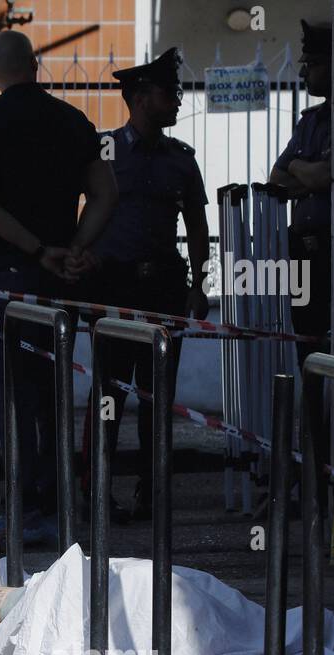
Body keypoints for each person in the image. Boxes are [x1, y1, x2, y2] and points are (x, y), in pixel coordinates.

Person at [0, 30, 117, 531]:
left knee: (12, 394)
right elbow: (105, 192)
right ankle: (56, 496)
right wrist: (73, 249)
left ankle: (22, 498)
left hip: (9, 276)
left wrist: (35, 250)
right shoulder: (71, 121)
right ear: (35, 64)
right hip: (59, 282)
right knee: (53, 388)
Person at [81, 48, 210, 522]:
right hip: (113, 289)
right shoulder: (105, 151)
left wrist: (199, 284)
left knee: (157, 396)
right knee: (108, 394)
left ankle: (151, 492)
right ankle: (95, 491)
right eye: (167, 93)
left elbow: (196, 224)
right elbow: (82, 210)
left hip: (163, 291)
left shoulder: (181, 160)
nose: (176, 100)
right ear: (138, 97)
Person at [269, 20, 333, 365]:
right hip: (302, 251)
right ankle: (311, 419)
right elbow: (276, 180)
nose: (305, 72)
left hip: (332, 252)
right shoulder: (309, 121)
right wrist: (300, 172)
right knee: (305, 345)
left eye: (314, 63)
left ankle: (330, 419)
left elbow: (325, 175)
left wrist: (297, 167)